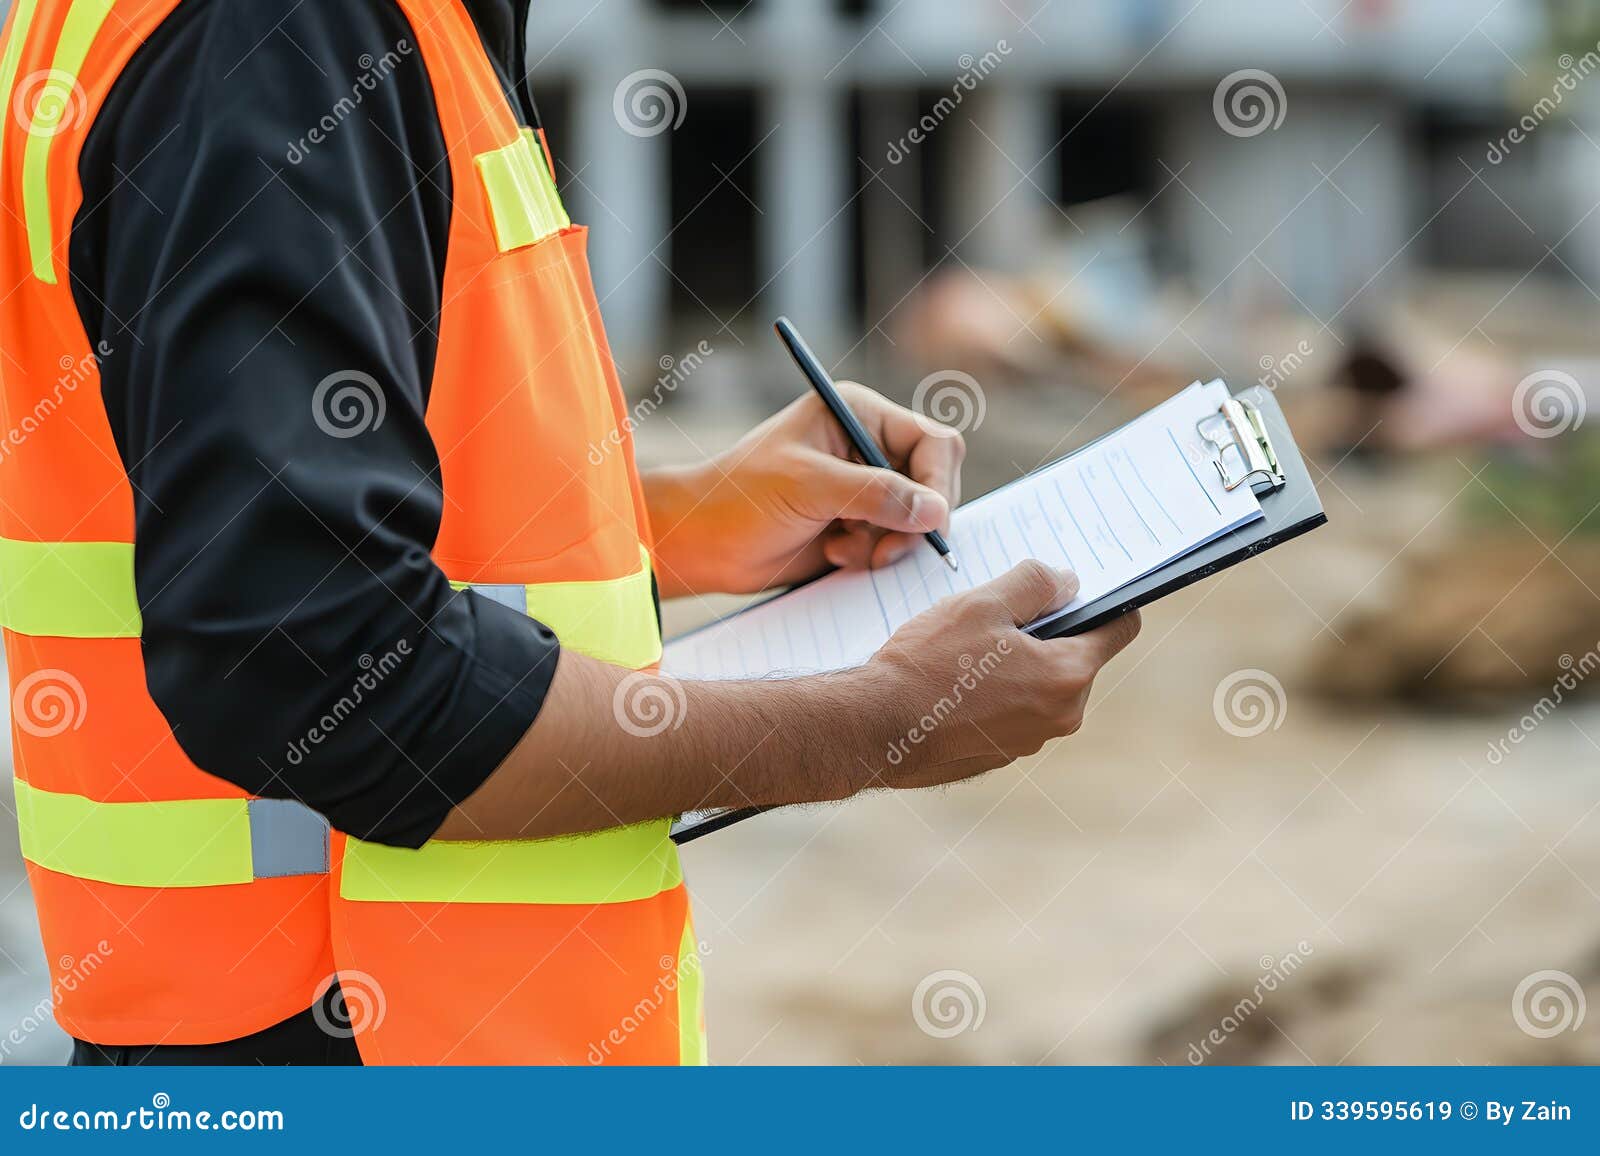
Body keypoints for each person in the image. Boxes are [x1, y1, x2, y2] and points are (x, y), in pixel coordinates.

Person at [0, 0, 1139, 1066]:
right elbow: (320, 663)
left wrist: (685, 518)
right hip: (367, 1043)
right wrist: (875, 722)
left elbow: (272, 512)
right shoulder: (286, 39)